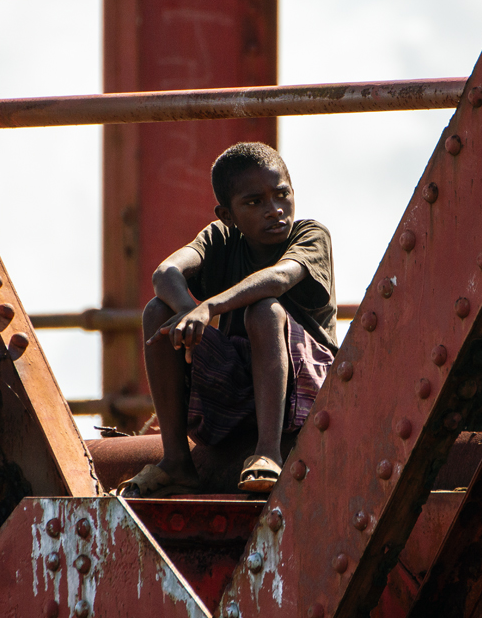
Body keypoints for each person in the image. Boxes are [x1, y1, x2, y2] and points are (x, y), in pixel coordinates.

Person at [117, 142, 337, 496]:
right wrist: (189, 311)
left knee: (265, 310)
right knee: (159, 311)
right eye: (254, 202)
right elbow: (166, 273)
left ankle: (267, 453)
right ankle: (176, 462)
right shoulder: (220, 239)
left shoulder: (310, 235)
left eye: (282, 195)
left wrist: (211, 307)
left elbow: (279, 279)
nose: (275, 210)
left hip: (309, 388)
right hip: (241, 385)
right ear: (227, 215)